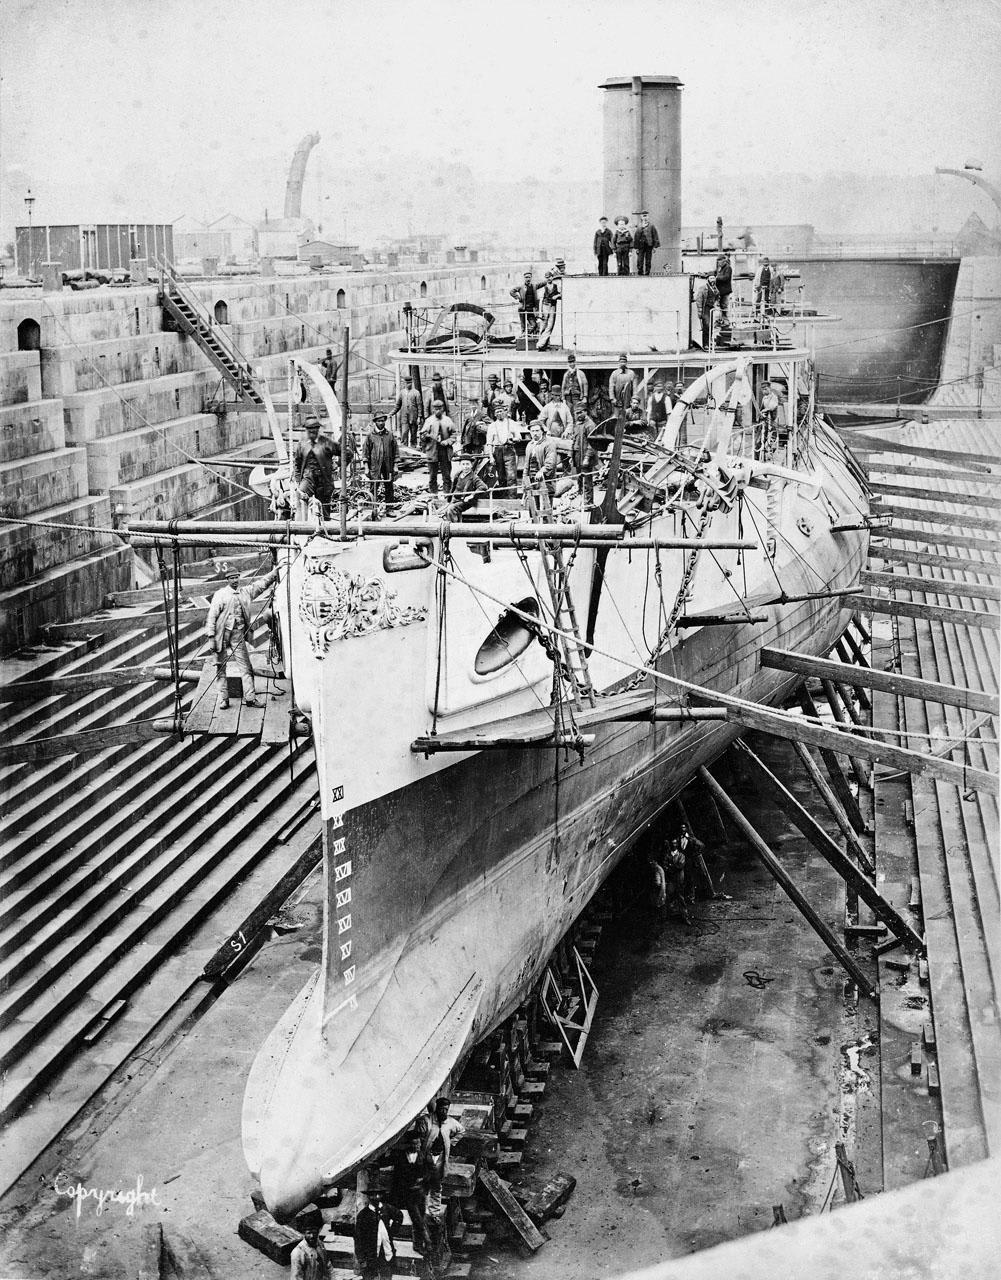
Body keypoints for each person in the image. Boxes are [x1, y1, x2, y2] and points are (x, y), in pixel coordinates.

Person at [206, 567, 259, 711]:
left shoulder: (244, 592)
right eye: (232, 578)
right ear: (227, 580)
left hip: (237, 634)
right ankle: (224, 699)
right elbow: (211, 616)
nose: (235, 580)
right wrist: (211, 637)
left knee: (246, 667)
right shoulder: (220, 595)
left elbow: (260, 585)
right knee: (220, 668)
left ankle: (250, 698)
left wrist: (276, 572)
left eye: (237, 577)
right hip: (221, 635)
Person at [388, 1131, 430, 1257]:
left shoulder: (424, 1156)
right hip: (407, 1193)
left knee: (420, 1217)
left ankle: (418, 1244)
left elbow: (429, 1173)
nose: (416, 1145)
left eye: (418, 1143)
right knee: (417, 1218)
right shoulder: (400, 1156)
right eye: (414, 1143)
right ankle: (428, 1242)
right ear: (408, 1144)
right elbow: (397, 1176)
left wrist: (423, 1182)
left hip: (420, 1193)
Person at [364, 412, 398, 506]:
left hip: (388, 464)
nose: (381, 423)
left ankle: (389, 508)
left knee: (389, 485)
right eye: (379, 421)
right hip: (375, 465)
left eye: (383, 421)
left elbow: (396, 451)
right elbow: (365, 453)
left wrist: (395, 465)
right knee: (374, 485)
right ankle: (372, 507)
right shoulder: (370, 436)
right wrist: (366, 467)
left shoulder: (389, 435)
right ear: (375, 422)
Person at [420, 401, 455, 495]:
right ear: (432, 409)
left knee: (446, 476)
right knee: (432, 476)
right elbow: (422, 436)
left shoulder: (448, 420)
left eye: (440, 408)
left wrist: (447, 441)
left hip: (445, 452)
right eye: (436, 409)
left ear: (443, 409)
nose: (438, 411)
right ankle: (433, 495)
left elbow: (454, 435)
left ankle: (447, 495)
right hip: (432, 451)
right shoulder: (429, 421)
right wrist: (425, 436)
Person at [570, 404, 600, 505]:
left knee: (587, 481)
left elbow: (592, 444)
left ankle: (588, 502)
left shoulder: (590, 425)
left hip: (586, 457)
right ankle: (581, 500)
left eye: (580, 412)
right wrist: (571, 456)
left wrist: (587, 458)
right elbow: (574, 440)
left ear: (585, 412)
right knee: (580, 480)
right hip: (578, 456)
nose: (578, 415)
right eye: (576, 413)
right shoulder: (578, 424)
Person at [486, 401, 518, 494]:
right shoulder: (492, 426)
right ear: (494, 414)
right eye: (497, 412)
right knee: (501, 476)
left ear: (505, 412)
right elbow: (489, 443)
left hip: (509, 450)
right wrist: (491, 457)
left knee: (511, 476)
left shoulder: (511, 423)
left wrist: (513, 439)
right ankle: (503, 497)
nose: (499, 414)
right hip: (497, 451)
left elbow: (519, 437)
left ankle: (512, 497)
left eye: (501, 411)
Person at [523, 422, 559, 501]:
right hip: (532, 478)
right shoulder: (530, 445)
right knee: (534, 502)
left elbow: (550, 461)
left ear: (542, 431)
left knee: (547, 502)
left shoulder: (549, 443)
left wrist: (541, 471)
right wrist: (525, 478)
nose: (535, 433)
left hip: (545, 478)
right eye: (532, 431)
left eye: (537, 430)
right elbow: (526, 464)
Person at [353, 1196, 381, 1280]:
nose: (376, 1197)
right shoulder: (363, 1215)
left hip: (382, 1256)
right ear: (369, 1197)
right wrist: (361, 1259)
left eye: (379, 1194)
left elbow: (398, 1215)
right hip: (369, 1258)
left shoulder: (384, 1210)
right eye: (373, 1194)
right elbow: (358, 1239)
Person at [536, 271, 560, 351]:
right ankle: (541, 345)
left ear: (552, 277)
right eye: (547, 277)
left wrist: (557, 296)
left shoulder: (556, 286)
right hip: (545, 306)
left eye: (550, 277)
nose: (549, 278)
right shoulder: (544, 287)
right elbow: (541, 300)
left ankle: (541, 344)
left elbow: (562, 294)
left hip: (553, 306)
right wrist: (540, 313)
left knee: (550, 325)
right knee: (543, 326)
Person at [510, 271, 539, 335]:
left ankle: (526, 335)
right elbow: (512, 291)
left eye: (529, 277)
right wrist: (518, 297)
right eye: (526, 277)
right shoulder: (521, 287)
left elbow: (542, 283)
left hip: (531, 310)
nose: (527, 279)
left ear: (531, 278)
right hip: (522, 309)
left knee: (534, 325)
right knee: (523, 326)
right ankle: (523, 337)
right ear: (524, 278)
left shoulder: (534, 286)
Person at [398, 375, 424, 448]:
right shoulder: (402, 393)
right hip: (404, 417)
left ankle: (413, 450)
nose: (408, 384)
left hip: (413, 417)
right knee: (404, 433)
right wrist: (391, 413)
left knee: (413, 435)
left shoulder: (416, 393)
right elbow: (398, 405)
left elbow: (419, 405)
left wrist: (419, 417)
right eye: (407, 383)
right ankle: (404, 450)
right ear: (404, 383)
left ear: (412, 383)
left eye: (409, 383)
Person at [633, 211, 661, 276]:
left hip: (649, 245)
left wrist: (654, 247)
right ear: (641, 217)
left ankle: (647, 273)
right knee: (640, 260)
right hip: (641, 246)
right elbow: (636, 236)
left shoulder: (652, 226)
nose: (645, 217)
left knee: (648, 260)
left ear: (648, 217)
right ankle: (640, 273)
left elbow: (655, 236)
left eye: (646, 216)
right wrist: (636, 247)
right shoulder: (639, 226)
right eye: (643, 216)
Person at [709, 254, 732, 320]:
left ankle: (725, 321)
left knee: (724, 307)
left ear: (723, 260)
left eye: (719, 261)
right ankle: (722, 320)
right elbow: (714, 272)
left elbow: (726, 277)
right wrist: (707, 274)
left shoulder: (728, 268)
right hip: (720, 291)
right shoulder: (720, 268)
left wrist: (716, 278)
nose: (718, 263)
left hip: (725, 291)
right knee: (721, 306)